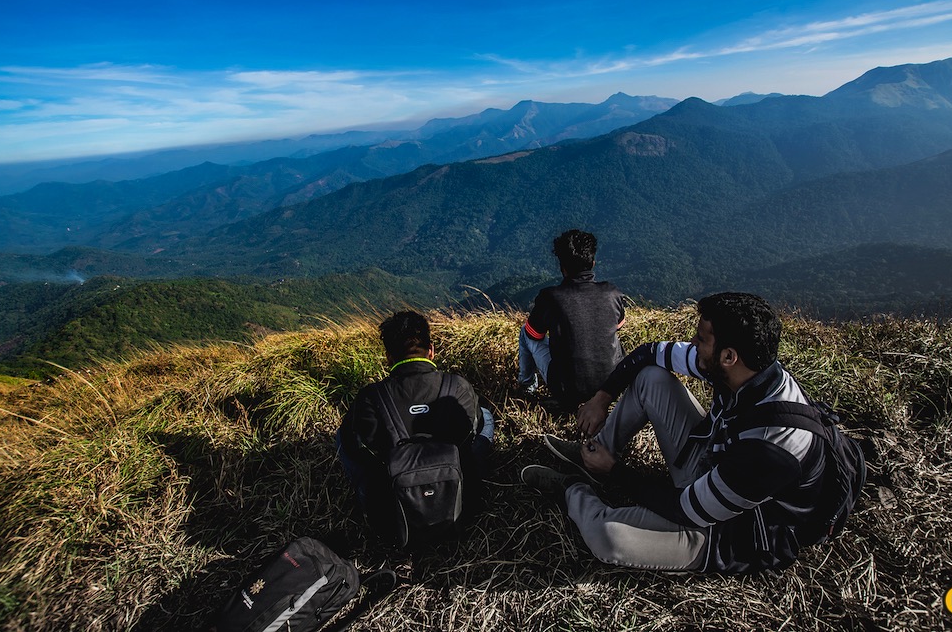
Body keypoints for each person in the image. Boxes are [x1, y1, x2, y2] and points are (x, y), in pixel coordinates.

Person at [521, 292, 832, 573]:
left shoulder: (770, 446)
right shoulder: (746, 370)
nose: (693, 344)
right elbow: (649, 354)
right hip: (716, 462)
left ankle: (573, 488)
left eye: (700, 339)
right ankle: (593, 456)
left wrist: (616, 472)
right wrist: (602, 397)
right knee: (651, 378)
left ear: (728, 356)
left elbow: (688, 510)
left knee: (608, 538)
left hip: (731, 528)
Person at [337, 310, 494, 541]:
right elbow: (471, 430)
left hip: (392, 518)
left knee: (343, 435)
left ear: (389, 357)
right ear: (431, 350)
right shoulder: (457, 386)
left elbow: (355, 448)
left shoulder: (371, 397)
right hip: (461, 507)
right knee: (485, 416)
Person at [518, 229, 626, 411]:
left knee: (524, 332)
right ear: (593, 263)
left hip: (567, 388)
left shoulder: (550, 297)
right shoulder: (612, 293)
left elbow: (533, 334)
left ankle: (527, 386)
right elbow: (619, 326)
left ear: (562, 268)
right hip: (612, 385)